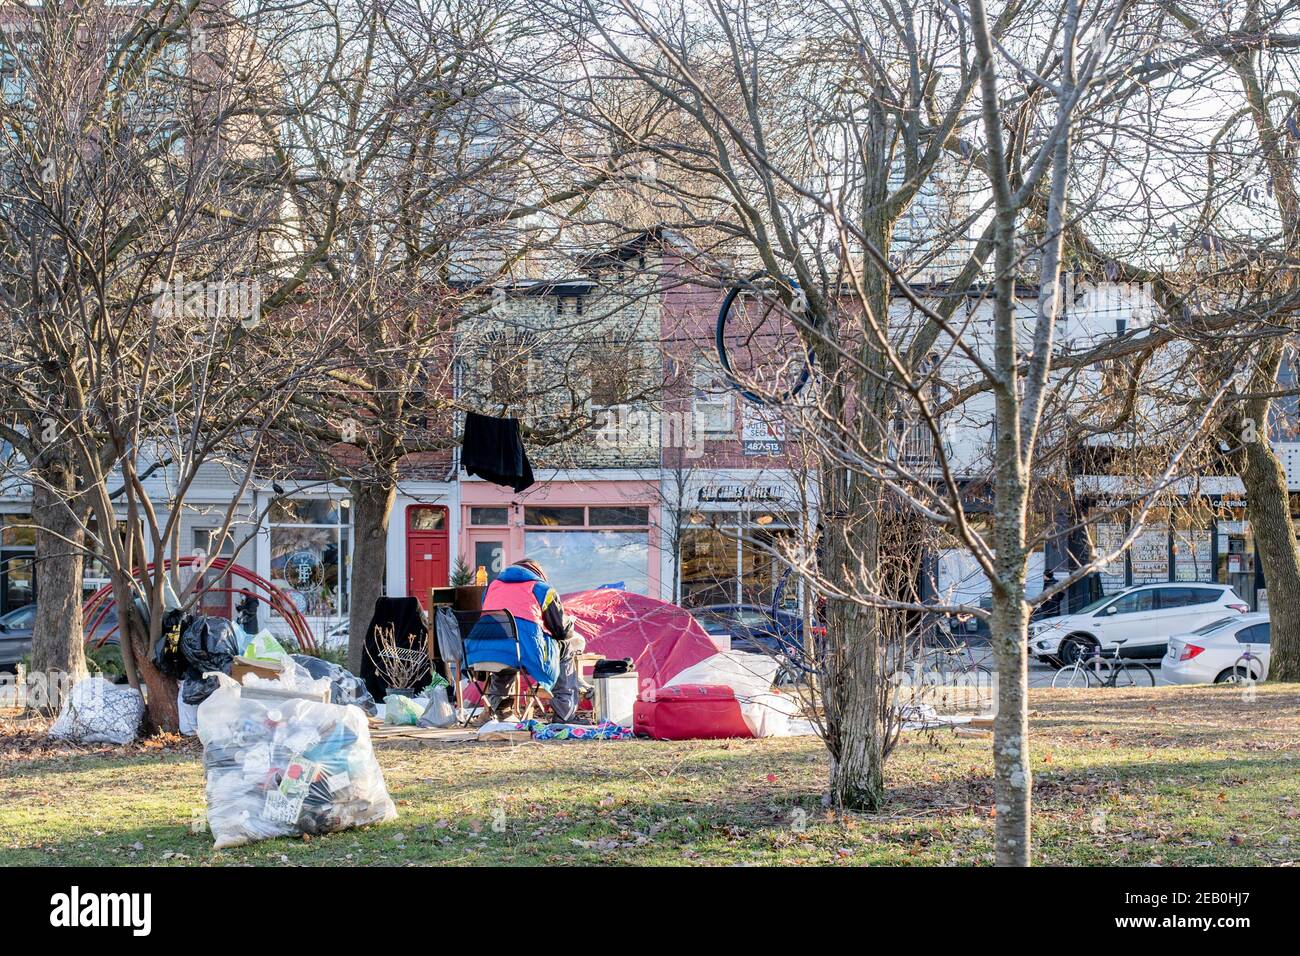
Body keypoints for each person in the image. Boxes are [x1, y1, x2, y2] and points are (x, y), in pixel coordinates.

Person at [476, 558, 584, 723]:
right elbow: (561, 631)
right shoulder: (543, 589)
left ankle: (501, 707)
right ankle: (565, 713)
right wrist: (569, 623)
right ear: (539, 573)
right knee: (566, 647)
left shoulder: (491, 587)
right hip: (525, 653)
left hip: (483, 652)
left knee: (506, 649)